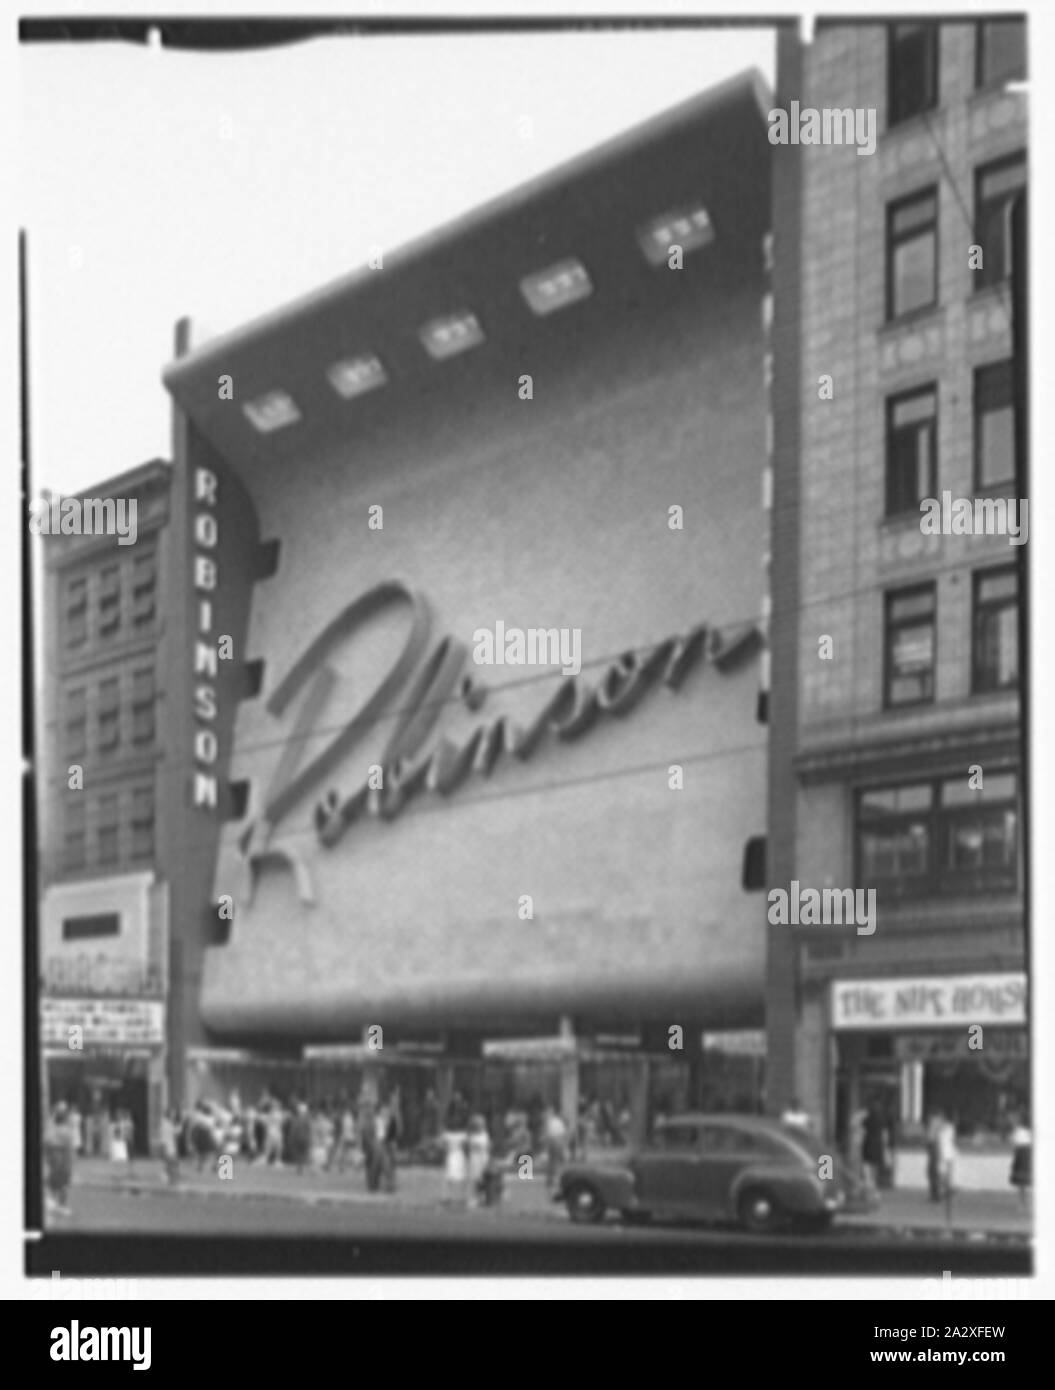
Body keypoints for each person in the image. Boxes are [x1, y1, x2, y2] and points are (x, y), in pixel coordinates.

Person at [44, 1103, 76, 1218]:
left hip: (54, 1160)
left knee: (54, 1184)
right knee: (62, 1185)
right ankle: (61, 1206)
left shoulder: (51, 1130)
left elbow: (47, 1144)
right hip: (62, 1161)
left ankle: (55, 1205)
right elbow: (69, 1149)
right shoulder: (66, 1131)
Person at [466, 1114, 491, 1209]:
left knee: (483, 1179)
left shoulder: (485, 1135)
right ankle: (473, 1199)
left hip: (483, 1158)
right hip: (474, 1159)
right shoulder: (471, 1136)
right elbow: (470, 1147)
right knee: (474, 1179)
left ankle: (482, 1198)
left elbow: (485, 1147)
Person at [441, 1123, 468, 1206]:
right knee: (449, 1177)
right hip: (451, 1155)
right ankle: (449, 1197)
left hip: (459, 1156)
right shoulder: (447, 1135)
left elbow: (466, 1147)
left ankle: (462, 1197)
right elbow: (443, 1146)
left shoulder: (463, 1135)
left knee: (461, 1177)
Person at [543, 1106, 568, 1188]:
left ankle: (550, 1179)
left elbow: (547, 1134)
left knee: (552, 1162)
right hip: (557, 1142)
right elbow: (563, 1134)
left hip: (552, 1142)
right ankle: (558, 1178)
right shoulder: (558, 1122)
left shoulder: (550, 1121)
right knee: (558, 1162)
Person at [1009, 1115, 1031, 1207]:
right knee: (1021, 1183)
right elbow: (1014, 1145)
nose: (1012, 1124)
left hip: (1024, 1156)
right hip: (1020, 1156)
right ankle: (1022, 1202)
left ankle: (1024, 1202)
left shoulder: (1024, 1132)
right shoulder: (1016, 1133)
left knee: (1024, 1181)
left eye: (1014, 1122)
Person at [937, 1114, 958, 1200]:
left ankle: (947, 1189)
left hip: (947, 1152)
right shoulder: (945, 1129)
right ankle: (947, 1189)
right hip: (946, 1152)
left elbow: (951, 1140)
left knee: (945, 1172)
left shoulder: (945, 1129)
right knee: (944, 1172)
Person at [924, 1110, 944, 1201]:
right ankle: (935, 1193)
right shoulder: (938, 1122)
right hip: (934, 1147)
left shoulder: (935, 1122)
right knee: (932, 1171)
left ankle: (935, 1194)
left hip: (934, 1147)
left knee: (932, 1171)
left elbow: (931, 1137)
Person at [159, 1108, 180, 1186]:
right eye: (172, 1114)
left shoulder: (168, 1123)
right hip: (168, 1147)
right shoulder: (166, 1124)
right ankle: (170, 1180)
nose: (173, 1116)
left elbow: (175, 1132)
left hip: (170, 1146)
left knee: (170, 1164)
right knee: (172, 1164)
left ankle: (170, 1179)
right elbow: (174, 1133)